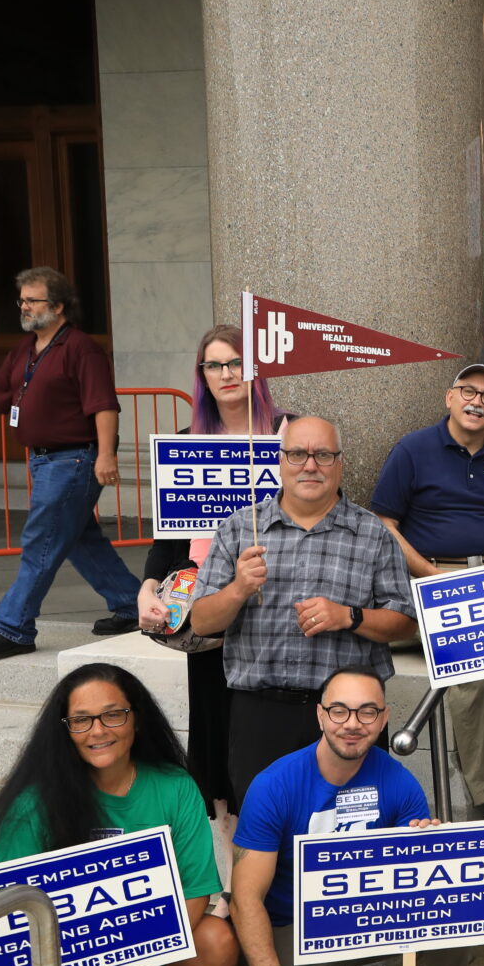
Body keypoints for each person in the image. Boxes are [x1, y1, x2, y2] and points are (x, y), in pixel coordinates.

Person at [0, 663, 239, 966]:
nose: (97, 730)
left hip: (146, 953)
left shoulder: (174, 786)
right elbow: (7, 920)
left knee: (218, 939)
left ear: (136, 719)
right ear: (65, 729)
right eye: (82, 719)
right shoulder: (34, 802)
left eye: (112, 715)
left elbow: (196, 894)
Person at [231, 669, 484, 966]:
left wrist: (428, 851)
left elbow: (418, 876)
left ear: (384, 718)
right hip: (296, 926)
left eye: (367, 712)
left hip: (372, 918)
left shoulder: (399, 783)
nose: (352, 723)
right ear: (320, 716)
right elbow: (245, 897)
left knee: (459, 893)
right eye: (339, 711)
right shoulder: (275, 786)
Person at [188, 417, 418, 805]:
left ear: (340, 462)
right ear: (280, 461)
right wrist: (239, 588)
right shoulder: (241, 528)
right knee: (264, 838)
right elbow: (201, 623)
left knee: (351, 833)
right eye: (297, 454)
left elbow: (405, 623)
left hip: (348, 717)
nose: (309, 465)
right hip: (260, 714)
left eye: (323, 455)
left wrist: (349, 617)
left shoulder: (373, 534)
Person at [370, 363, 484, 868]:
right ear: (449, 396)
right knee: (467, 681)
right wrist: (427, 572)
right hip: (431, 582)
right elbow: (383, 522)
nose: (476, 400)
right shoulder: (414, 449)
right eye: (468, 390)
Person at [137, 324, 291, 814]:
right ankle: (228, 871)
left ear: (256, 370)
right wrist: (146, 590)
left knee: (267, 727)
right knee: (215, 729)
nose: (226, 374)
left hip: (276, 600)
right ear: (201, 375)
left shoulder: (288, 431)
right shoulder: (185, 441)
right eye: (214, 365)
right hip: (206, 607)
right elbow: (169, 536)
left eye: (236, 363)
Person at [0, 267, 142, 658]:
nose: (24, 307)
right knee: (79, 538)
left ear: (58, 306)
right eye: (22, 300)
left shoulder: (81, 348)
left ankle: (13, 627)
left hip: (74, 459)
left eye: (33, 300)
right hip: (43, 461)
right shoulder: (24, 349)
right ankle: (133, 605)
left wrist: (107, 455)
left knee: (41, 540)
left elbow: (103, 405)